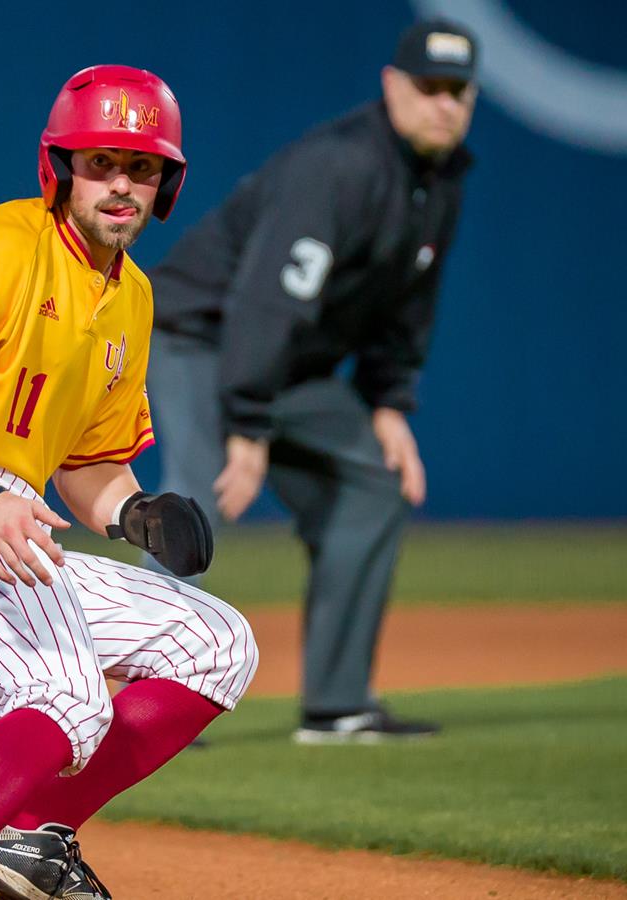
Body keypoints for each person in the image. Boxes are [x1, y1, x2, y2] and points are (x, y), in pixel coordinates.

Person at [0, 65, 258, 900]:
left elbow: (87, 466)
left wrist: (136, 513)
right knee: (66, 698)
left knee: (216, 647)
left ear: (165, 185)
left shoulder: (131, 297)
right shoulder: (6, 244)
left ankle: (28, 840)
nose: (120, 184)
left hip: (7, 512)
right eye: (101, 162)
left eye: (141, 168)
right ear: (62, 167)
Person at [145, 19, 477, 744]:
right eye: (430, 88)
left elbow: (407, 307)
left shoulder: (440, 180)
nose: (444, 104)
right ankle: (148, 702)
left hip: (284, 363)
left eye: (458, 91)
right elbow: (269, 299)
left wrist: (389, 405)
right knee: (196, 498)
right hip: (201, 336)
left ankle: (338, 705)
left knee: (375, 482)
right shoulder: (341, 166)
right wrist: (249, 426)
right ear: (393, 87)